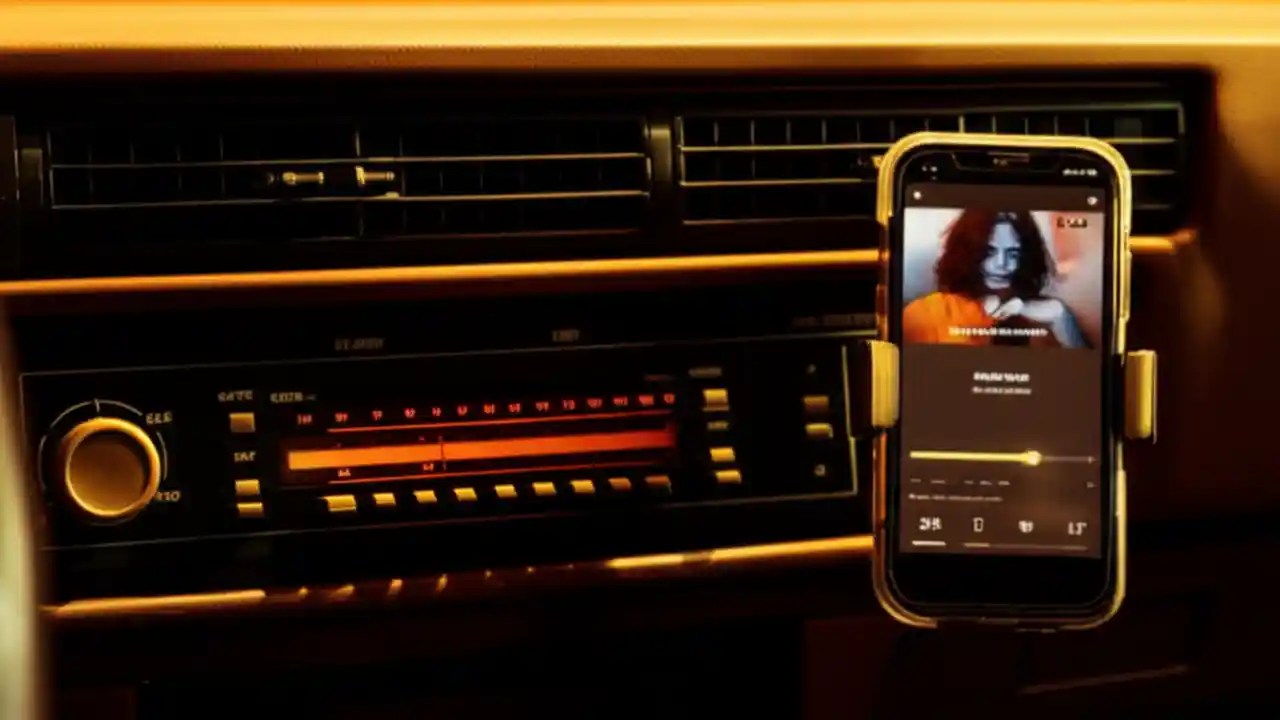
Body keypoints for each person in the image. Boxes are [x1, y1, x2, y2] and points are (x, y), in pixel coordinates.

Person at [902, 208, 1087, 348]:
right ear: (967, 252)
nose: (1002, 264)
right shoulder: (927, 313)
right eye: (989, 252)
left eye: (1013, 253)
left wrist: (1062, 319)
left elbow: (1084, 387)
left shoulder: (1047, 317)